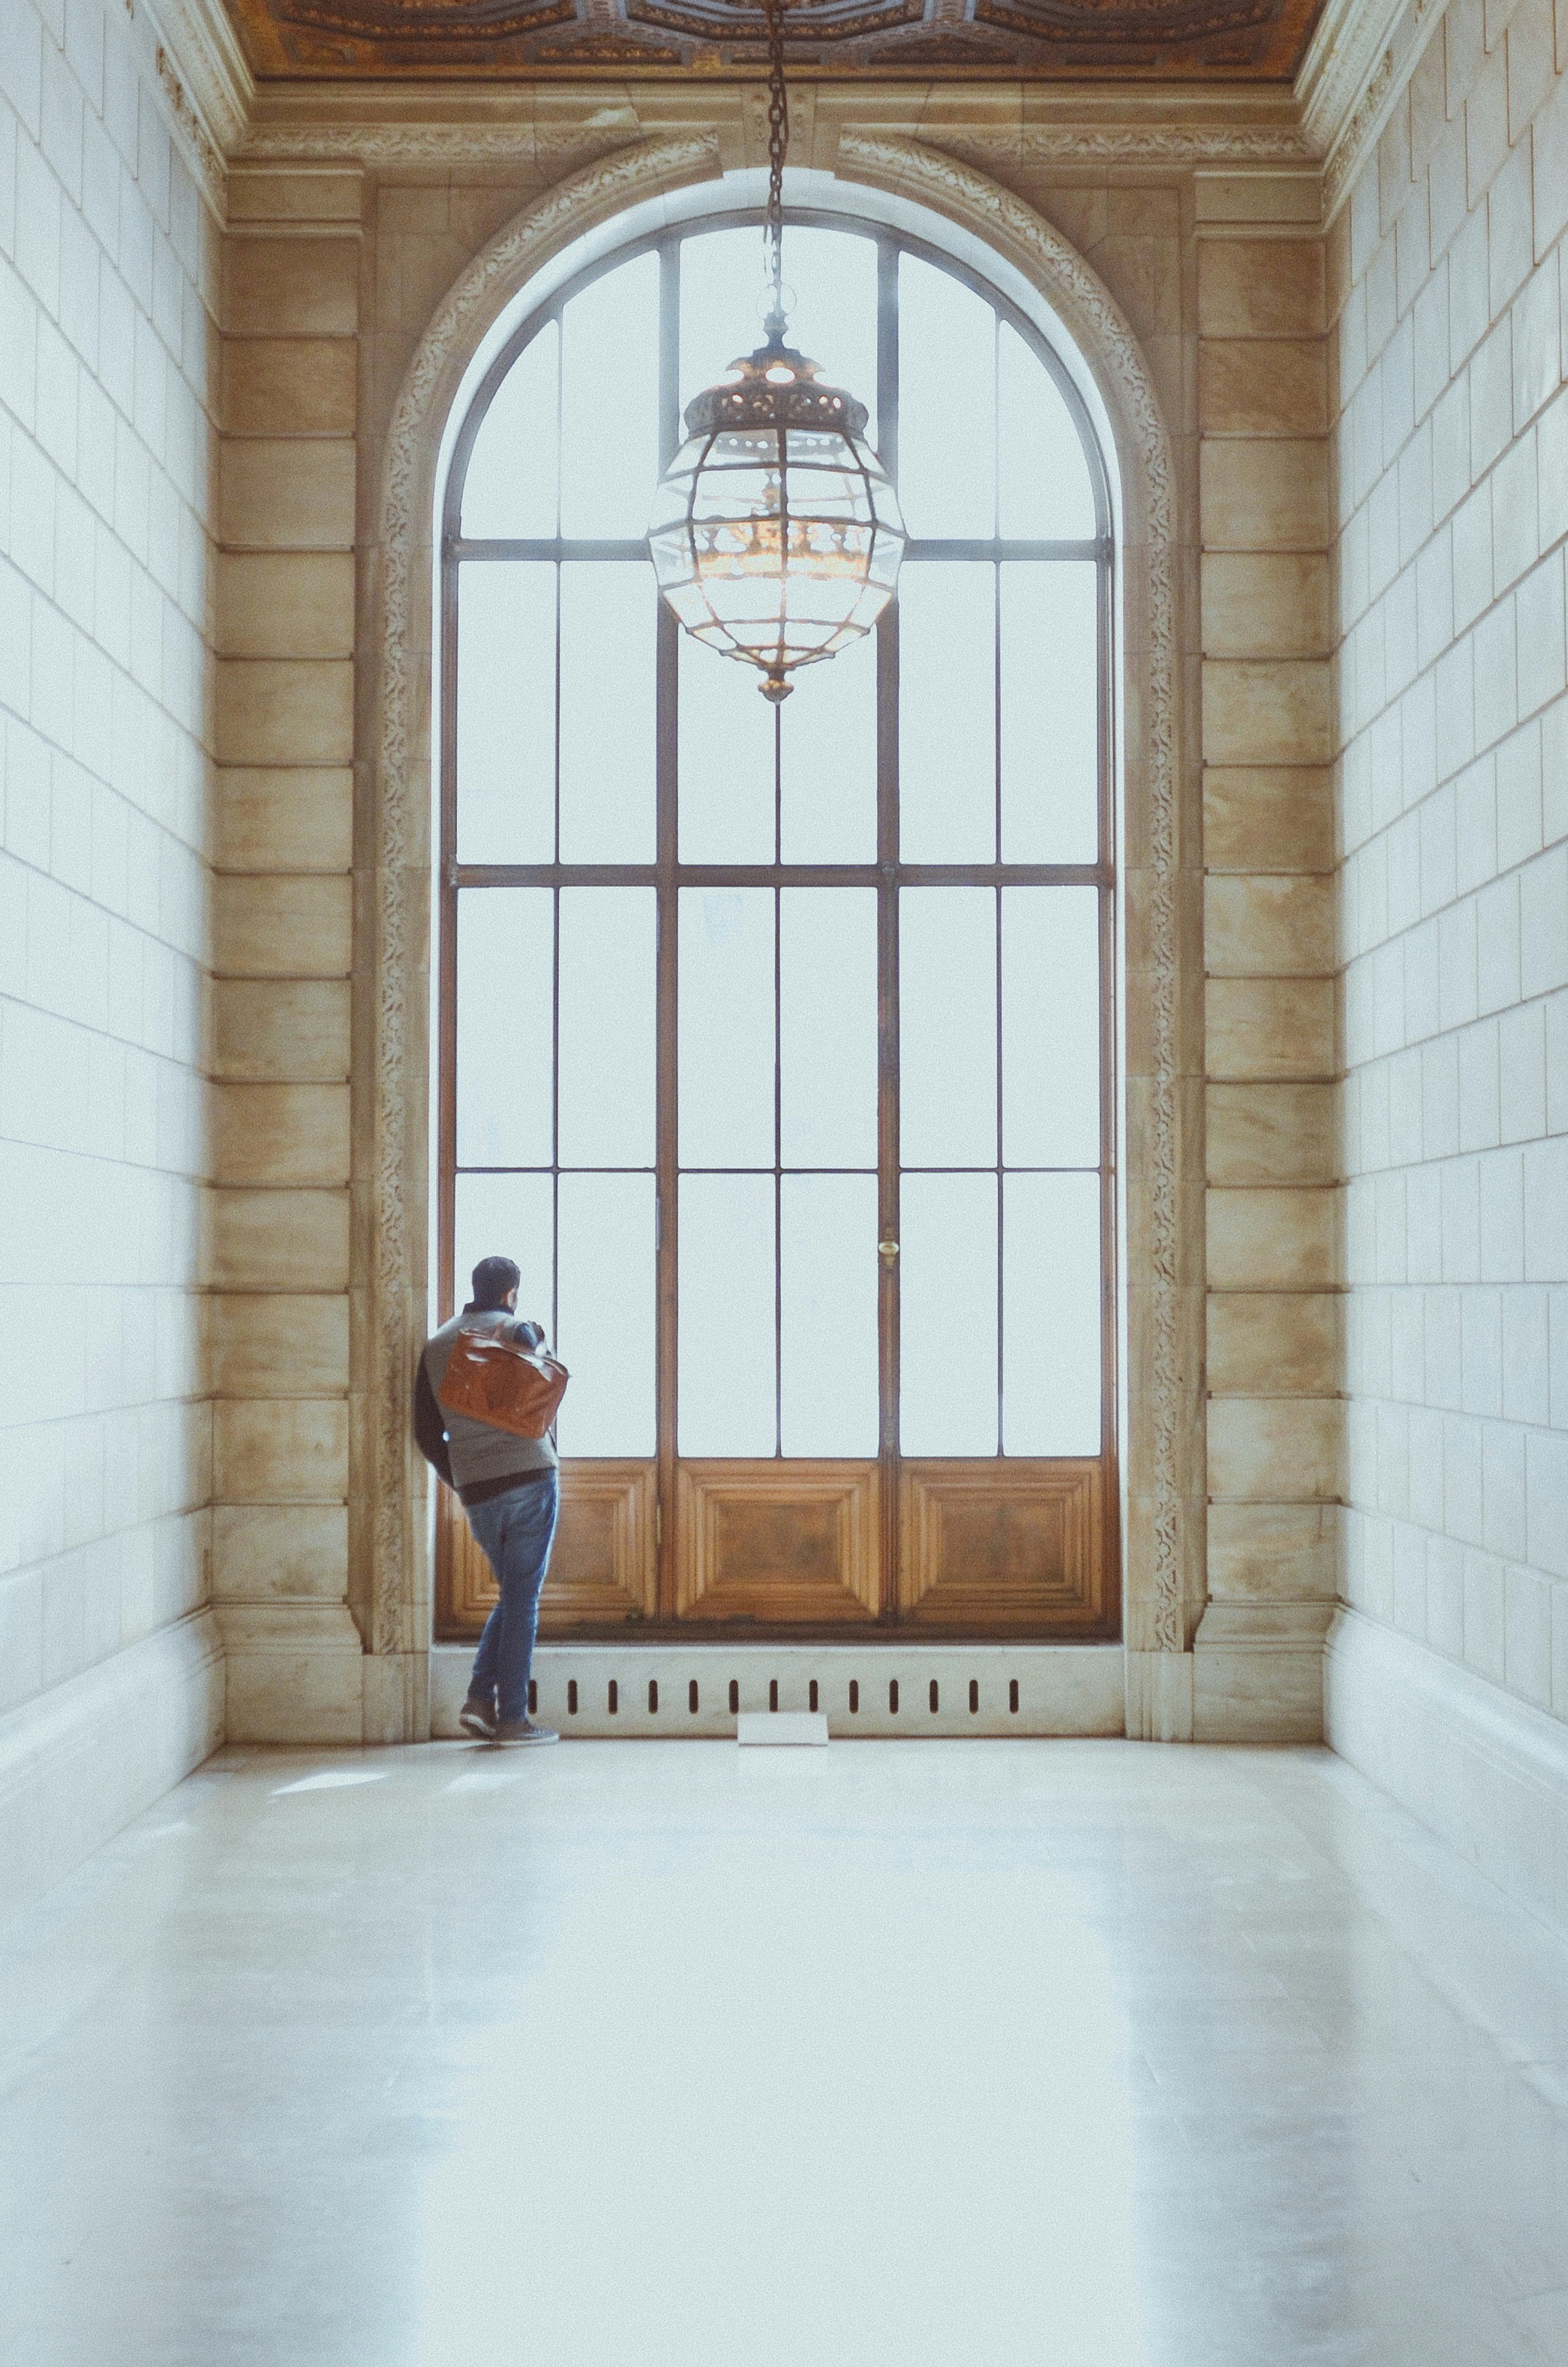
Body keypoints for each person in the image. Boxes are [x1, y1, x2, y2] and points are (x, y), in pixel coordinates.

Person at [415, 1255, 560, 1745]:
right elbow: (543, 1399)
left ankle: (480, 1698)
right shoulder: (517, 1330)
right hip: (530, 1476)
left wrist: (462, 1478)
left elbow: (425, 1431)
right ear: (511, 1292)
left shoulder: (437, 1344)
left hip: (477, 1490)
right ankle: (512, 1717)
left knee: (515, 1592)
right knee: (524, 1597)